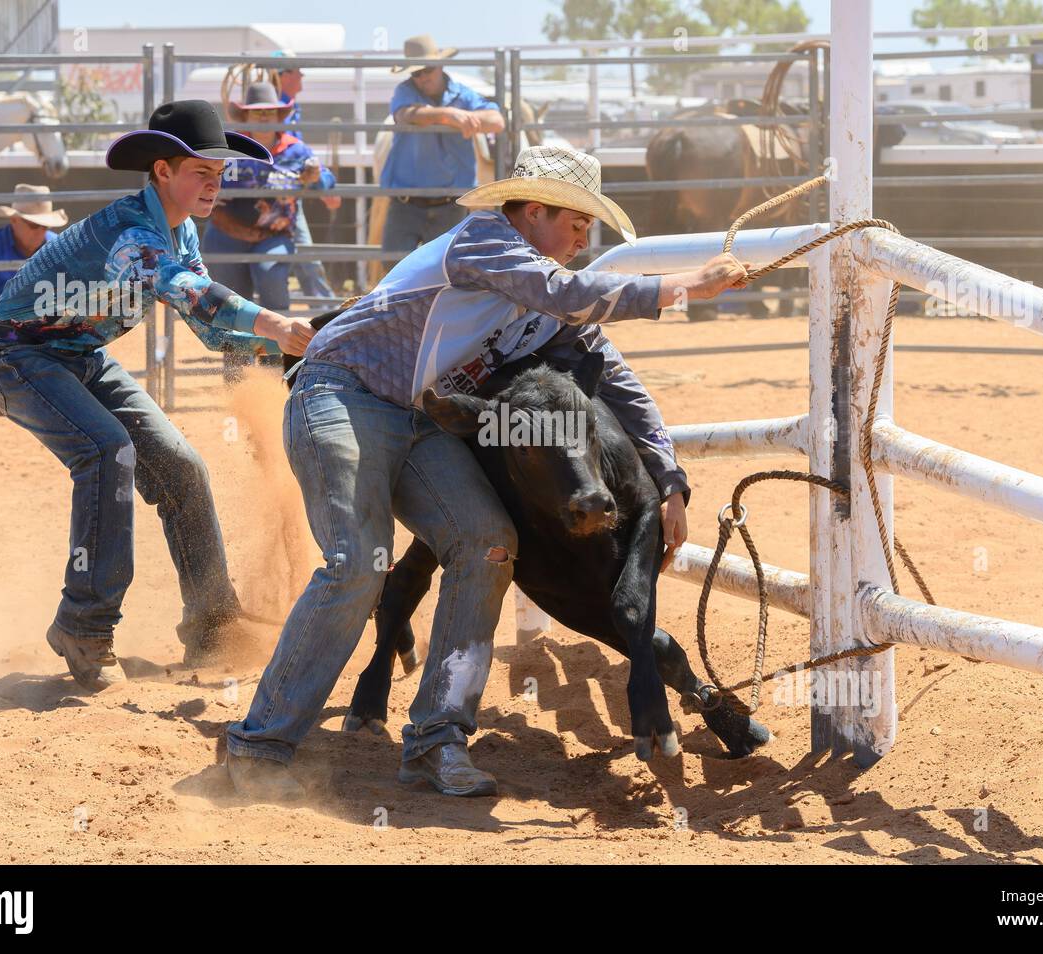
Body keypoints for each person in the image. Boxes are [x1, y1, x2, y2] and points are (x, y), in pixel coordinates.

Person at [224, 145, 746, 801]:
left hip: (420, 418)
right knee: (357, 560)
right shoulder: (485, 241)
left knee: (488, 545)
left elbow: (615, 379)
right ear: (532, 212)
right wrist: (687, 287)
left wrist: (668, 476)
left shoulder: (541, 291)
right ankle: (259, 747)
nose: (582, 243)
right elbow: (570, 293)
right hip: (341, 393)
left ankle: (437, 742)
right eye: (576, 226)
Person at [0, 100, 315, 691]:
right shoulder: (131, 232)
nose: (214, 185)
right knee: (107, 451)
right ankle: (85, 626)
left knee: (180, 466)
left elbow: (208, 323)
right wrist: (275, 325)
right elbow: (181, 287)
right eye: (201, 173)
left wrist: (278, 349)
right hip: (17, 355)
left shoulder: (178, 229)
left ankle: (211, 622)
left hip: (74, 356)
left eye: (219, 175)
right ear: (162, 170)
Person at [202, 82, 337, 383]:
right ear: (246, 116)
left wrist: (317, 176)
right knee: (230, 307)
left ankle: (275, 378)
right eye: (256, 112)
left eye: (269, 111)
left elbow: (326, 181)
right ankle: (236, 386)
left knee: (274, 284)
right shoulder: (228, 147)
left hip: (273, 236)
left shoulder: (296, 149)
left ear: (279, 114)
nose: (263, 116)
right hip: (227, 236)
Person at [380, 34, 505, 253]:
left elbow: (497, 121)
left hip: (450, 204)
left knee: (444, 273)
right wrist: (450, 116)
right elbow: (405, 115)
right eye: (416, 73)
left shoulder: (462, 94)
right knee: (394, 268)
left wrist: (461, 117)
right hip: (406, 203)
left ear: (440, 65)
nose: (422, 77)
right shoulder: (405, 91)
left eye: (427, 69)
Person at [271, 52, 341, 303]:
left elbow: (296, 153)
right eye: (297, 70)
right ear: (284, 75)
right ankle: (327, 312)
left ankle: (324, 309)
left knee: (297, 257)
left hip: (276, 192)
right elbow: (296, 156)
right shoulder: (282, 108)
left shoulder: (286, 106)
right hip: (281, 195)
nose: (301, 75)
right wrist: (323, 183)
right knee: (305, 257)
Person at [0, 184, 67, 326]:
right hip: (3, 330)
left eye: (45, 226)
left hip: (50, 331)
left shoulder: (59, 247)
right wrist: (29, 303)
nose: (41, 231)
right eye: (34, 225)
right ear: (14, 220)